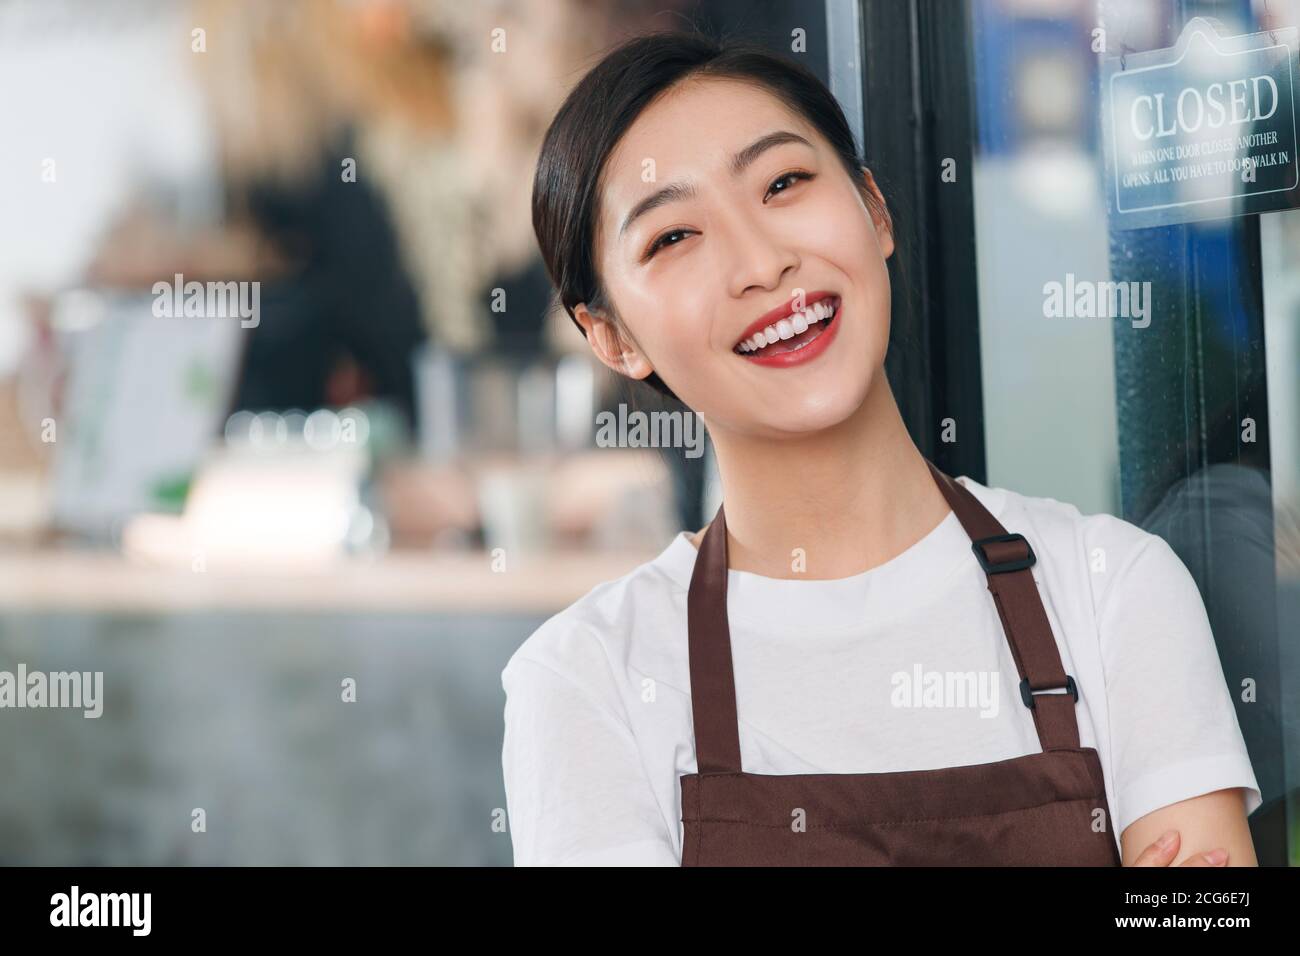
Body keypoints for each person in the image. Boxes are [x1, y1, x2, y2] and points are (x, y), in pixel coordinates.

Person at [501, 30, 1261, 866]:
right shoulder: (587, 681)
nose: (762, 261)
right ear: (612, 340)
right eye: (673, 237)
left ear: (875, 209)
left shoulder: (1116, 590)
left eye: (783, 182)